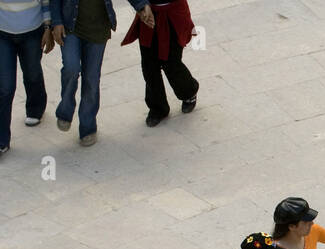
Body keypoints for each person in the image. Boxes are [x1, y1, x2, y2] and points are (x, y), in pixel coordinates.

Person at [50, 0, 142, 146]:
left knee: (91, 78)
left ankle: (87, 127)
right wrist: (56, 22)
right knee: (71, 68)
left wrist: (141, 5)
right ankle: (65, 111)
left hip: (98, 29)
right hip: (70, 26)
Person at [120, 0, 198, 127]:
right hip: (148, 12)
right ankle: (157, 108)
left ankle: (188, 92)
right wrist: (141, 5)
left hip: (174, 13)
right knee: (149, 65)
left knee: (171, 63)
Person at [0, 0, 52, 156]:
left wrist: (48, 27)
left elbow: (46, 1)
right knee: (5, 87)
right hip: (2, 33)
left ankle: (36, 107)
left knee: (32, 73)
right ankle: (2, 139)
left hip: (32, 32)